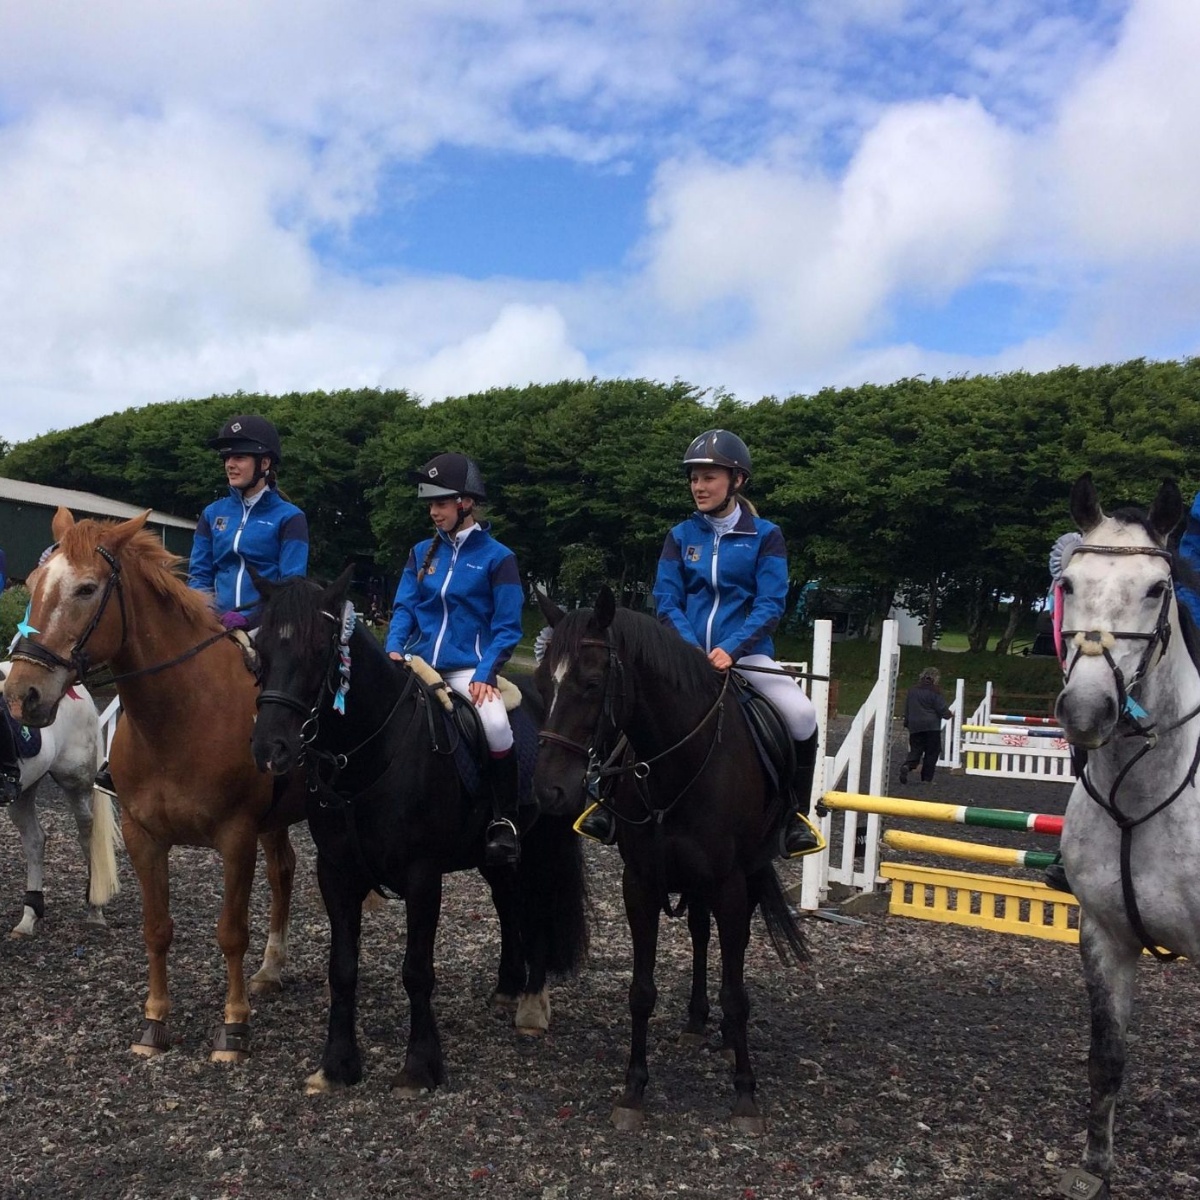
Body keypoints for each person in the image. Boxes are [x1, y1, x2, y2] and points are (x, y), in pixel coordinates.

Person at [577, 429, 822, 857]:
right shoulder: (680, 535)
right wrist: (688, 650)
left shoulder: (766, 536)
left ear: (737, 480)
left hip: (745, 656)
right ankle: (607, 804)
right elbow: (667, 599)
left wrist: (731, 648)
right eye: (694, 478)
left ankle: (793, 816)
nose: (699, 487)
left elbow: (770, 603)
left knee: (801, 715)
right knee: (633, 709)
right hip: (683, 658)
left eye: (709, 477)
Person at [95, 414, 308, 798]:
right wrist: (205, 611)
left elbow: (290, 584)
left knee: (284, 678)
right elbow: (199, 574)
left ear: (265, 464)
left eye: (241, 456)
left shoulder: (290, 518)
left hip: (266, 622)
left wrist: (248, 617)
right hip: (212, 620)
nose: (230, 463)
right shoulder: (213, 515)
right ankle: (122, 762)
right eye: (228, 456)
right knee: (153, 671)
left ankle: (295, 758)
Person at [385, 453, 525, 867]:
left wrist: (486, 673)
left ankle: (505, 819)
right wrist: (393, 646)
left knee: (498, 725)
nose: (433, 512)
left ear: (465, 503)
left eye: (441, 503)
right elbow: (405, 608)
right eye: (430, 504)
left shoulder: (499, 558)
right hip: (418, 660)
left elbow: (507, 626)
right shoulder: (420, 553)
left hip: (469, 666)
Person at [898, 668, 952, 784]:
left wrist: (907, 722)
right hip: (931, 726)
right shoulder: (935, 691)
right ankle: (926, 779)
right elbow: (941, 708)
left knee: (915, 750)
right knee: (932, 752)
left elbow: (907, 708)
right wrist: (949, 715)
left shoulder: (912, 691)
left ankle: (908, 765)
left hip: (915, 726)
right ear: (935, 678)